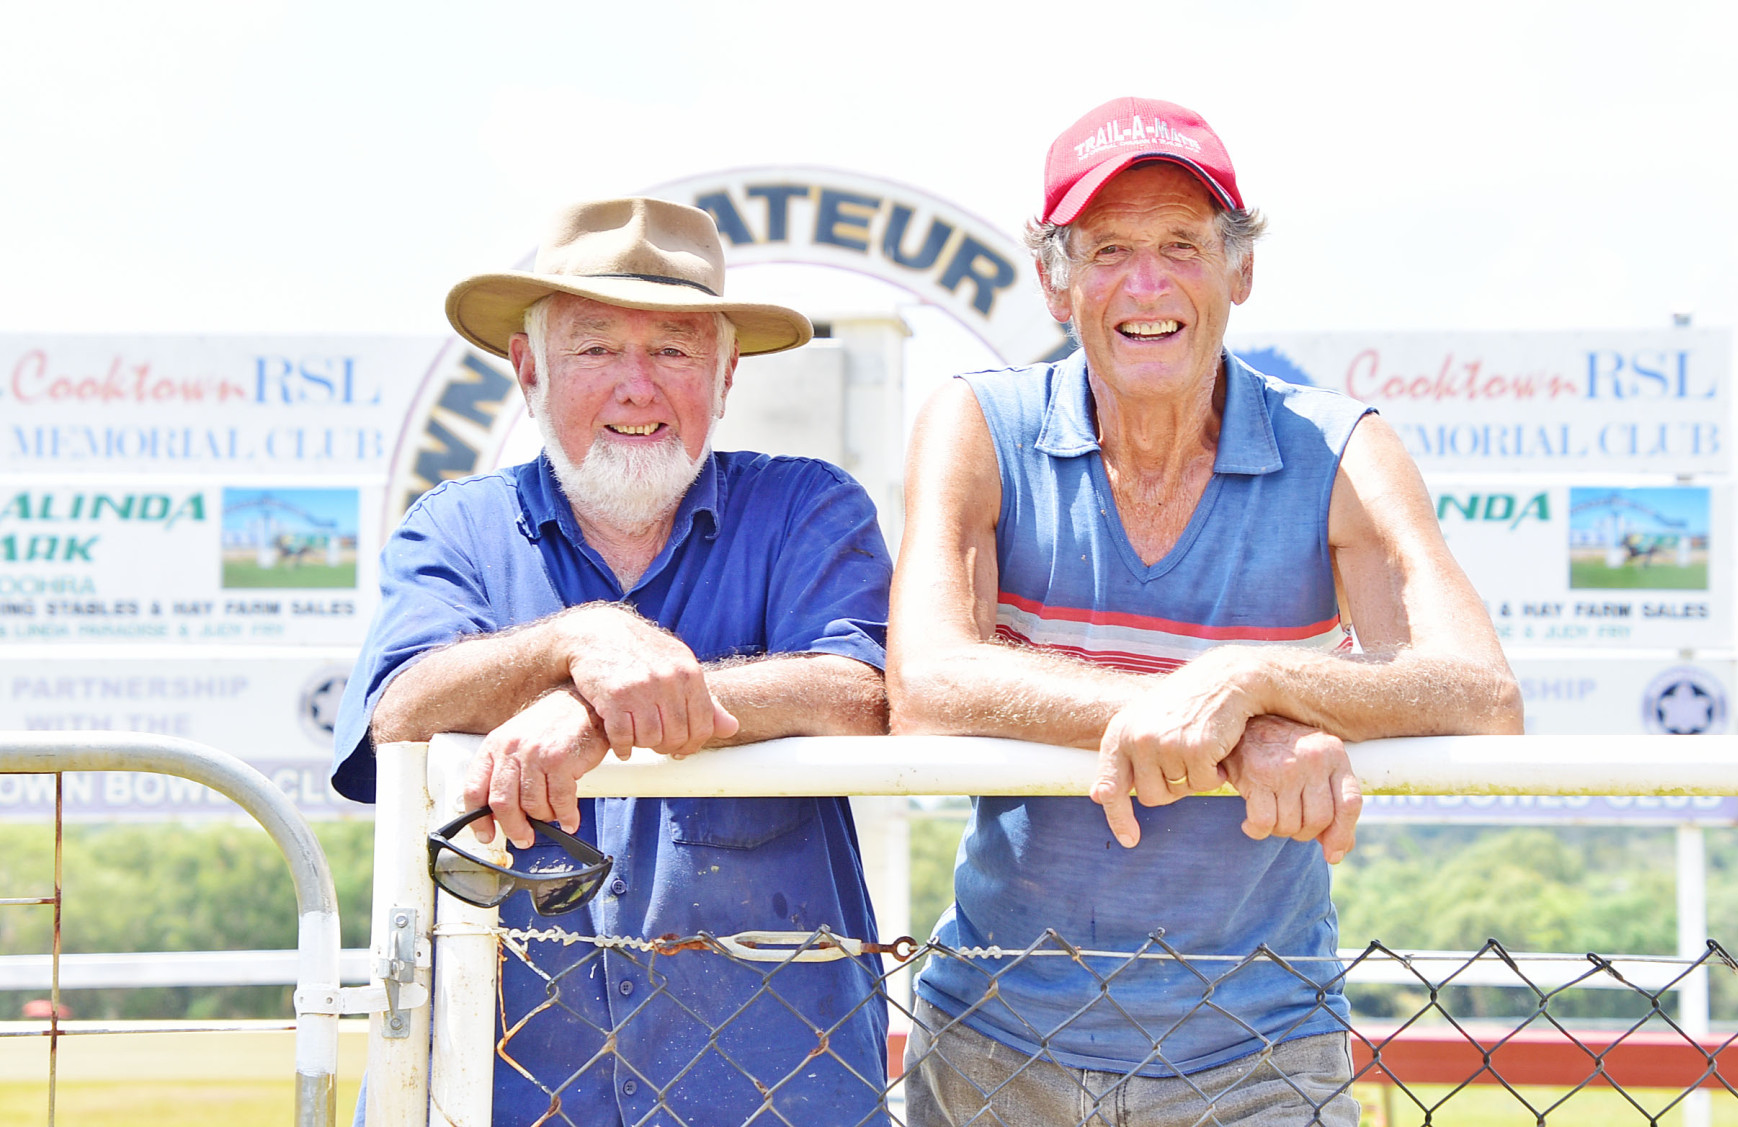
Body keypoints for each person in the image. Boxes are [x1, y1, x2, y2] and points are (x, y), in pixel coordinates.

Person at [887, 98, 1524, 1126]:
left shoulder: (1339, 446)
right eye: (1108, 250)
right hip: (994, 1045)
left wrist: (1252, 680)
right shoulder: (979, 422)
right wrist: (1234, 733)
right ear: (1055, 279)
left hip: (1257, 1050)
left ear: (1239, 271)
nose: (1147, 285)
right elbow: (924, 685)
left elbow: (1479, 694)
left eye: (1181, 245)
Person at [331, 198, 894, 1126]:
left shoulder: (805, 508)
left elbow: (861, 695)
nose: (638, 385)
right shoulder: (456, 528)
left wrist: (595, 714)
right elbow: (397, 710)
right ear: (528, 370)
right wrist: (576, 638)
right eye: (595, 349)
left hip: (778, 1101)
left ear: (724, 376)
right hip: (495, 1098)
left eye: (673, 350)